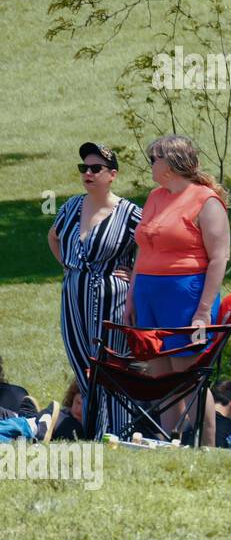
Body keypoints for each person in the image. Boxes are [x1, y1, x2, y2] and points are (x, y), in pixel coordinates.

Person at [127, 135, 231, 447]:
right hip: (148, 299)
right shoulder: (155, 197)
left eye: (153, 159)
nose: (151, 165)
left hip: (186, 299)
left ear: (171, 163)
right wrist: (131, 297)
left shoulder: (207, 200)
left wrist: (202, 312)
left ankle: (208, 447)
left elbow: (219, 258)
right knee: (161, 376)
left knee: (188, 378)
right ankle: (168, 445)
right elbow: (141, 251)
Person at [47, 143, 142, 439]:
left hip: (112, 300)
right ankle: (94, 436)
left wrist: (134, 276)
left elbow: (152, 249)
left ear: (112, 174)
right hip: (73, 300)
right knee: (83, 369)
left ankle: (119, 436)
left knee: (111, 369)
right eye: (83, 168)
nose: (87, 173)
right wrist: (69, 265)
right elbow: (53, 236)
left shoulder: (129, 213)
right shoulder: (72, 206)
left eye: (95, 168)